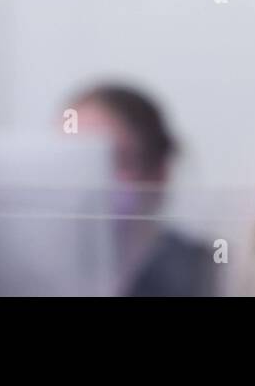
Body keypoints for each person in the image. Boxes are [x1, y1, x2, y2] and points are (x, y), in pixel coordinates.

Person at [70, 85, 216, 296]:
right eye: (69, 162)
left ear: (159, 173)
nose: (85, 180)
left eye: (116, 161)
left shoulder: (204, 272)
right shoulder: (32, 268)